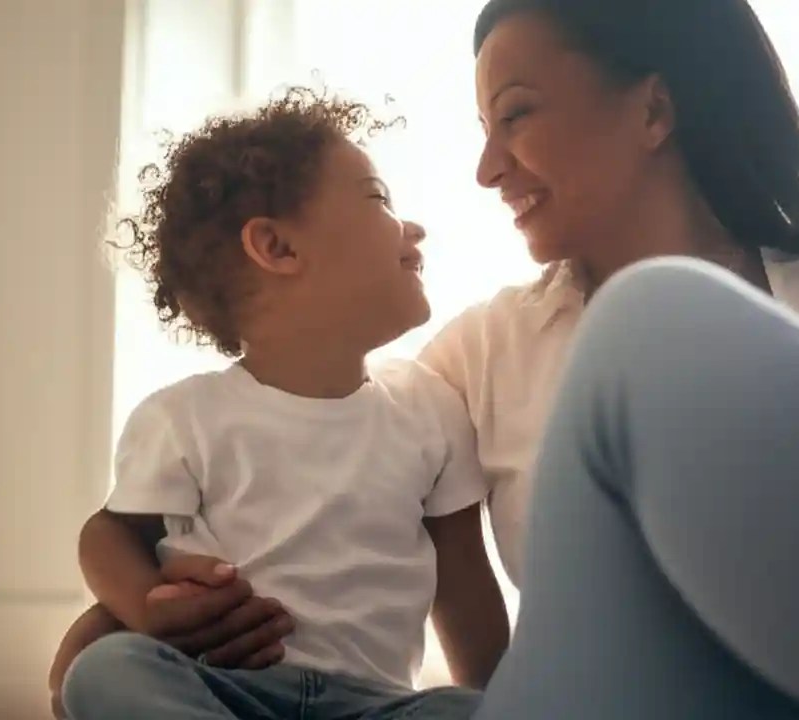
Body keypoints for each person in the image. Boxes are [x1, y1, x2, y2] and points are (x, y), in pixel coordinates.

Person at [51, 0, 799, 716]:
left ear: (652, 110)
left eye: (513, 113)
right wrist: (128, 631)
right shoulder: (465, 365)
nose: (483, 169)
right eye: (481, 131)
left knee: (653, 312)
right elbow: (311, 473)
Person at [56, 91, 507, 720]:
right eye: (379, 199)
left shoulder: (430, 408)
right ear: (278, 247)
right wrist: (148, 608)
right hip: (229, 692)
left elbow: (465, 588)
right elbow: (106, 535)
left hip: (378, 707)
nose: (413, 228)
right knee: (105, 670)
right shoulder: (182, 419)